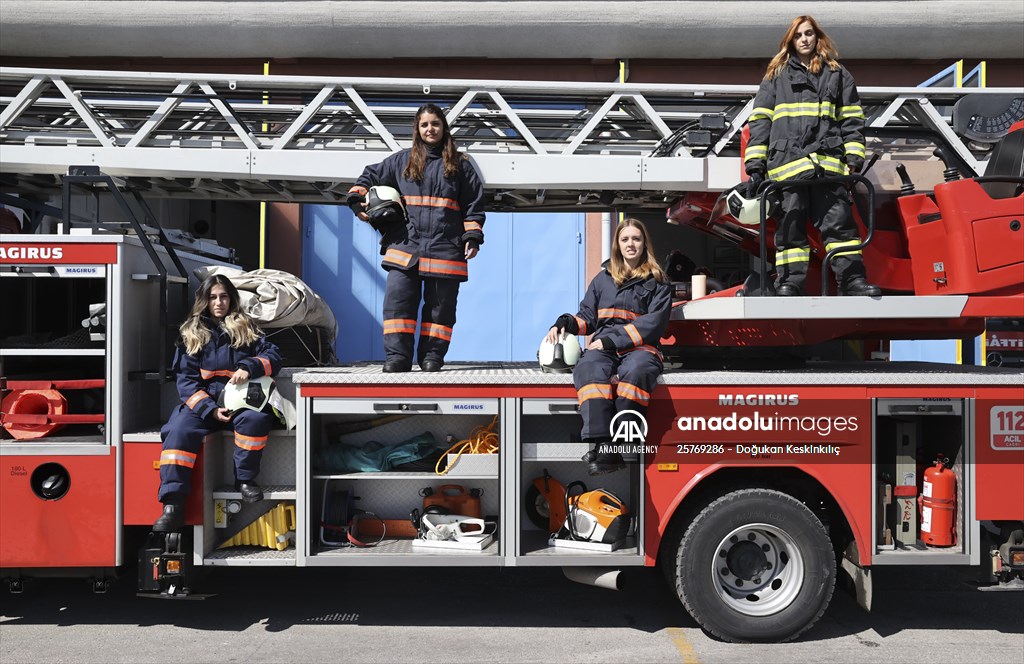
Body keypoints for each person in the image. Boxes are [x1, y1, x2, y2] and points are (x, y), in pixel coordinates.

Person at [744, 15, 881, 297]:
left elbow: (853, 119)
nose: (804, 39)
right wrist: (755, 165)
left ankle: (852, 282)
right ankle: (790, 284)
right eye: (798, 35)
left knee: (840, 227)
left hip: (827, 167)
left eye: (809, 33)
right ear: (790, 41)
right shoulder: (776, 76)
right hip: (788, 169)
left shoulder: (837, 74)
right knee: (790, 231)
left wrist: (853, 157)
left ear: (817, 37)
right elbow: (760, 120)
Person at [347, 103, 486, 372]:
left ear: (443, 127)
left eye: (435, 123)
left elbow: (473, 205)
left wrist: (472, 236)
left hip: (446, 249)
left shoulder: (460, 166)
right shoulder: (402, 160)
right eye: (424, 125)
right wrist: (356, 198)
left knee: (441, 311)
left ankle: (432, 357)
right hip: (405, 247)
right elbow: (370, 174)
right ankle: (397, 358)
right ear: (417, 129)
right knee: (398, 306)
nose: (430, 129)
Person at [153, 275, 282, 532]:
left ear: (231, 299)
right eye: (213, 297)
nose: (219, 302)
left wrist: (251, 366)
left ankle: (244, 481)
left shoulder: (246, 328)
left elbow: (273, 355)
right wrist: (209, 410)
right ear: (204, 301)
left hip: (240, 403)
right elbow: (186, 383)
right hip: (204, 405)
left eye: (223, 296)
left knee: (256, 419)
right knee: (178, 430)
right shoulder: (191, 334)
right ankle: (173, 504)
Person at [545, 218, 672, 475]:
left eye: (636, 239)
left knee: (637, 371)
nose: (630, 244)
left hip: (641, 347)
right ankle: (603, 445)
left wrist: (613, 340)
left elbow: (654, 324)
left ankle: (621, 443)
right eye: (625, 239)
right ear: (617, 244)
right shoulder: (603, 279)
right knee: (588, 369)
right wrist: (565, 323)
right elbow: (588, 318)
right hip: (603, 346)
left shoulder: (658, 281)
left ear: (644, 243)